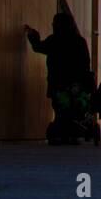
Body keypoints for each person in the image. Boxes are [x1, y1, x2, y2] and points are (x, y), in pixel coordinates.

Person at [23, 10, 95, 145]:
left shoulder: (54, 40)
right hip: (75, 84)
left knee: (60, 109)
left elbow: (38, 47)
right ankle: (72, 132)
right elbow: (86, 63)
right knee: (74, 108)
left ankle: (62, 133)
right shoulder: (79, 41)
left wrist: (32, 34)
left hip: (58, 83)